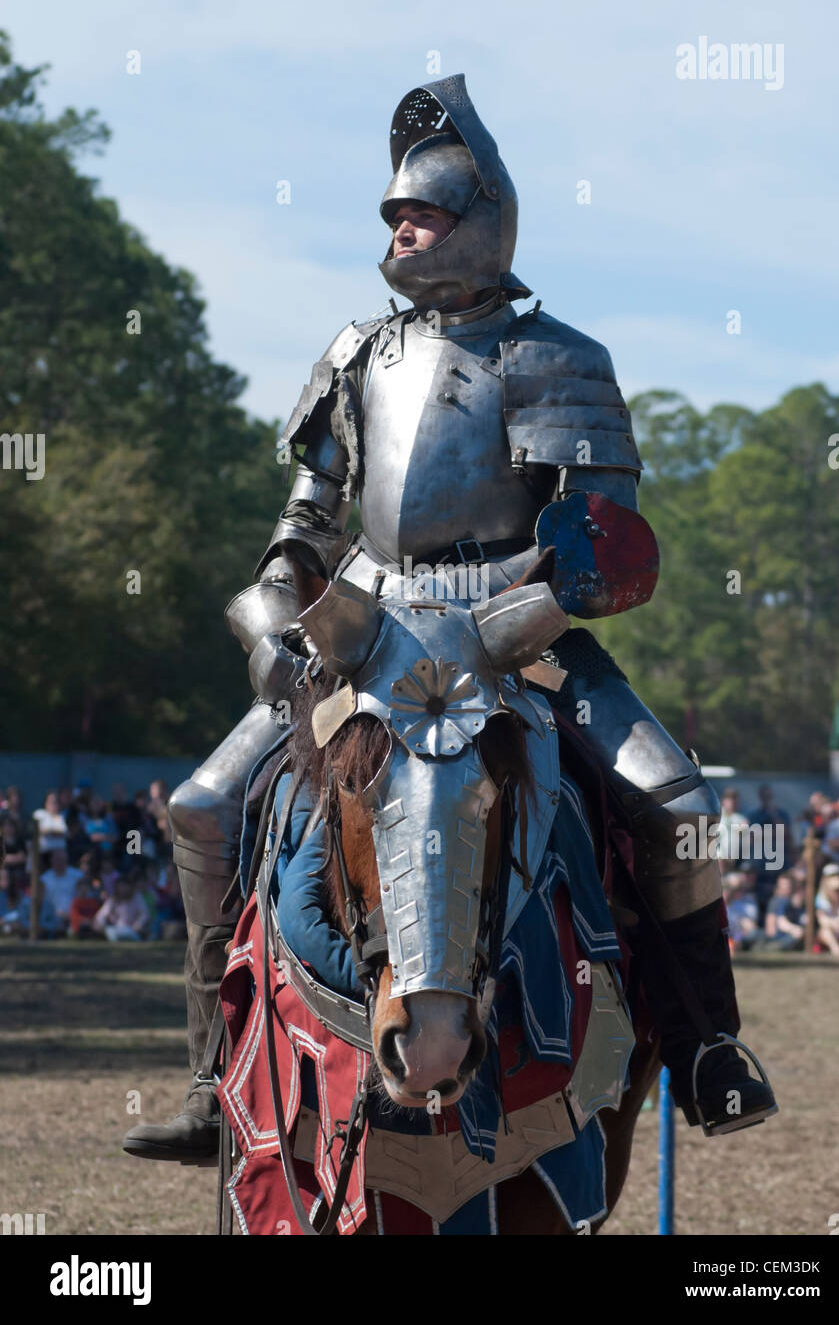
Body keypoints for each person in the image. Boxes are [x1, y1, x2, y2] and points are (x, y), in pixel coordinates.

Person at [125, 73, 775, 1163]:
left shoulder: (558, 355)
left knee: (676, 798)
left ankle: (712, 1048)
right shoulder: (355, 353)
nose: (402, 228)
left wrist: (513, 614)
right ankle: (207, 1077)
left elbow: (596, 543)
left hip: (517, 633)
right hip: (365, 630)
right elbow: (303, 520)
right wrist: (273, 621)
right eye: (394, 216)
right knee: (199, 808)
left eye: (420, 212)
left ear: (482, 222)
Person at [758, 872, 805, 951]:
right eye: (782, 884)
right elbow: (776, 924)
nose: (784, 887)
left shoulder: (794, 901)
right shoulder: (777, 901)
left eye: (787, 884)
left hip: (787, 938)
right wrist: (795, 929)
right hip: (778, 939)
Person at [40, 850, 84, 934]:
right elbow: (42, 899)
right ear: (52, 861)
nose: (60, 862)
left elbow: (83, 895)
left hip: (74, 915)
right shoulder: (45, 878)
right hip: (52, 915)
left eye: (62, 860)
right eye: (57, 860)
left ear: (66, 861)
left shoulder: (77, 876)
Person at [94, 877, 151, 942]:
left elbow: (145, 914)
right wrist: (103, 925)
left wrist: (137, 925)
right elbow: (100, 915)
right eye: (120, 887)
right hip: (116, 929)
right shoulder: (113, 899)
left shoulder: (137, 897)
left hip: (132, 930)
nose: (122, 889)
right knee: (110, 931)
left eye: (124, 886)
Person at [814, 866, 839, 956]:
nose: (837, 893)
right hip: (829, 932)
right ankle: (836, 950)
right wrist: (836, 924)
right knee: (825, 931)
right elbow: (822, 920)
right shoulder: (822, 900)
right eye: (834, 890)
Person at [715, 788, 750, 867]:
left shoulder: (741, 819)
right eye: (729, 799)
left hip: (734, 860)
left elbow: (746, 837)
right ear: (723, 801)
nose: (731, 802)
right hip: (717, 859)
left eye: (734, 799)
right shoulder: (717, 817)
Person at [32, 791, 67, 859]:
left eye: (55, 802)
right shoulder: (39, 814)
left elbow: (65, 832)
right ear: (45, 803)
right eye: (51, 802)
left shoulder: (61, 816)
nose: (53, 805)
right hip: (44, 855)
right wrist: (57, 832)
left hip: (60, 855)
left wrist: (50, 831)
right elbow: (41, 830)